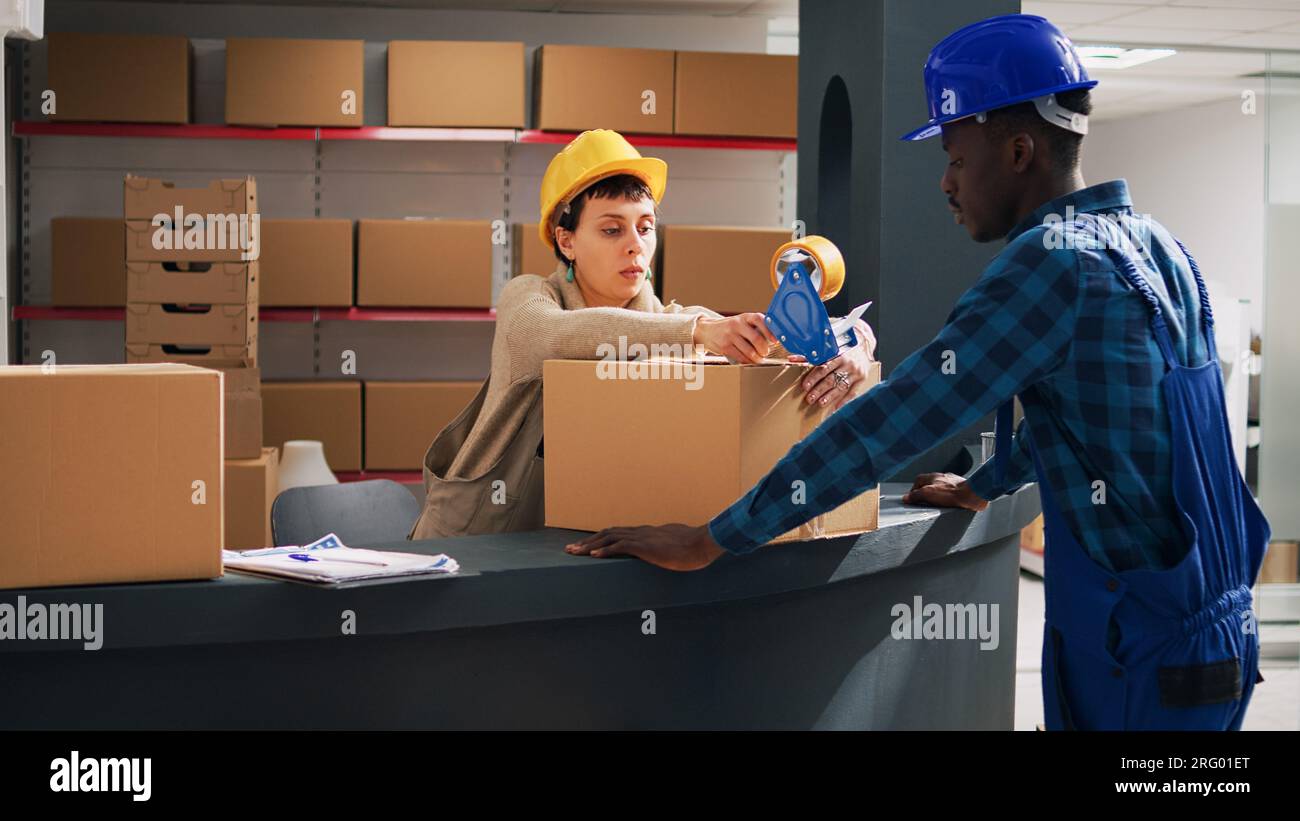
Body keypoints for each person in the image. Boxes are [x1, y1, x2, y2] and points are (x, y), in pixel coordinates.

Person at [566, 14, 1270, 731]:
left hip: (1142, 658)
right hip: (1213, 638)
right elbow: (1103, 422)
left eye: (958, 158)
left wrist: (712, 538)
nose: (945, 182)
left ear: (1020, 150)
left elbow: (892, 419)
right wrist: (983, 483)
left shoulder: (1051, 263)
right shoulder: (1154, 244)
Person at [408, 129, 877, 539]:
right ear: (566, 240)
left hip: (583, 545)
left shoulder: (675, 321)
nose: (636, 244)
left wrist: (851, 347)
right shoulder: (529, 300)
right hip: (473, 543)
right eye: (612, 230)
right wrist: (701, 332)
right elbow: (555, 337)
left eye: (646, 227)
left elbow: (778, 339)